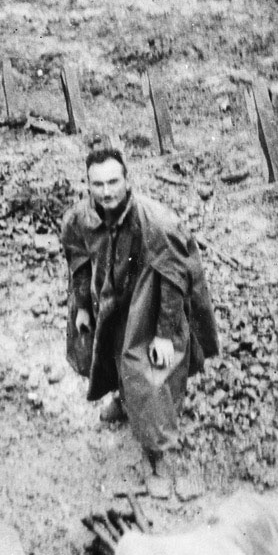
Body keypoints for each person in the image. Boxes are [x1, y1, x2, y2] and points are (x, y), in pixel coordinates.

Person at [60, 147, 218, 490]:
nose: (106, 192)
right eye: (98, 184)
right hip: (109, 295)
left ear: (127, 180)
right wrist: (84, 305)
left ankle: (158, 453)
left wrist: (164, 333)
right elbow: (77, 258)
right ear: (87, 184)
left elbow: (176, 280)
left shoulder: (156, 222)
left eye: (113, 182)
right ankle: (123, 398)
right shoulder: (80, 217)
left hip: (152, 294)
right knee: (108, 351)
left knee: (151, 372)